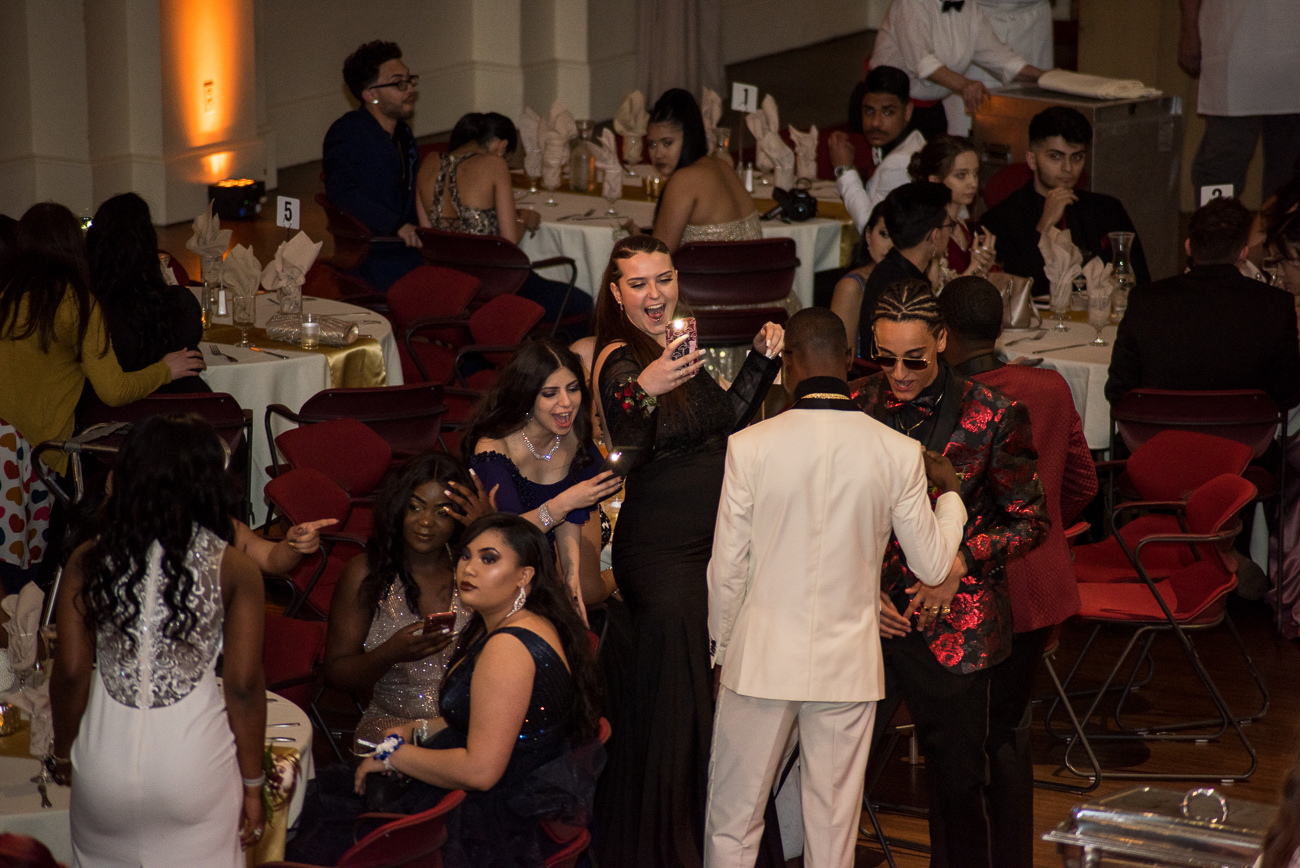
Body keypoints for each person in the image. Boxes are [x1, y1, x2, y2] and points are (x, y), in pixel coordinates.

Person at [704, 307, 968, 867]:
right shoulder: (895, 451)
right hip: (848, 664)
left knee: (734, 822)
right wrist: (950, 500)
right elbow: (931, 564)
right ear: (850, 360)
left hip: (762, 656)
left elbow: (727, 567)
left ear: (787, 363)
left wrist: (720, 650)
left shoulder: (750, 445)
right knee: (832, 831)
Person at [590, 234, 782, 868]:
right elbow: (626, 450)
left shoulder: (678, 345)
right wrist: (642, 389)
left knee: (708, 696)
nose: (655, 294)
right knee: (681, 701)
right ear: (616, 293)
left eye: (663, 279)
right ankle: (669, 850)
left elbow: (720, 426)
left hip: (712, 548)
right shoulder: (619, 359)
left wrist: (759, 364)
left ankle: (718, 843)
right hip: (662, 556)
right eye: (638, 284)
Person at [850, 280, 1048, 868]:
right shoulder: (855, 405)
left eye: (914, 359)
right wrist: (862, 589)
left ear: (941, 340)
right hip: (868, 624)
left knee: (960, 787)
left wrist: (960, 562)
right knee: (838, 776)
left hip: (959, 627)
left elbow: (1030, 521)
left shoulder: (994, 413)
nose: (899, 374)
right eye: (886, 358)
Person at [298, 514, 604, 868]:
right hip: (503, 788)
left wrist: (394, 756)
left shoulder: (508, 648)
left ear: (525, 575)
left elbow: (481, 772)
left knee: (315, 823)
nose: (469, 569)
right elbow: (489, 718)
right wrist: (416, 729)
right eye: (465, 556)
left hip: (492, 816)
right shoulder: (524, 622)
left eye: (488, 559)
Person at [49, 413, 268, 865]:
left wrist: (65, 754)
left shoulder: (87, 559)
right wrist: (253, 784)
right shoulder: (234, 567)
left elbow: (70, 674)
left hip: (103, 763)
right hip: (195, 765)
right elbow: (244, 687)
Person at [938, 276, 1097, 868]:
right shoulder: (1049, 387)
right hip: (1042, 583)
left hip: (971, 587)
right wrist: (1046, 530)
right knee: (1009, 732)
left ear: (941, 334)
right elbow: (1082, 482)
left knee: (963, 742)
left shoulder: (951, 400)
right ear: (1001, 326)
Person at [0, 203, 204, 479]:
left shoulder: (6, 296)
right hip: (42, 454)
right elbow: (114, 391)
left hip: (5, 442)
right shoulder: (78, 305)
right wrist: (165, 369)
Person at [325, 453, 496, 747]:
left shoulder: (472, 568)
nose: (426, 522)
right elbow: (336, 674)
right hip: (391, 728)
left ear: (460, 518)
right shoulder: (366, 573)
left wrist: (488, 530)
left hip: (470, 725)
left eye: (443, 512)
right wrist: (389, 654)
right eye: (415, 507)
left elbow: (530, 611)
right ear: (398, 506)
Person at [460, 338, 625, 608]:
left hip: (575, 526)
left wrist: (571, 574)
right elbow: (508, 537)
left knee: (585, 591)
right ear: (527, 395)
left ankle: (626, 570)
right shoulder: (493, 450)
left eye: (573, 389)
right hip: (512, 556)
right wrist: (564, 503)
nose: (566, 403)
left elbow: (574, 511)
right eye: (550, 393)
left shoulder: (573, 436)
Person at [1105, 196, 1300, 409]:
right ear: (1243, 253)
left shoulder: (1145, 300)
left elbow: (1118, 391)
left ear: (1188, 247)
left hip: (1161, 428)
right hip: (1245, 429)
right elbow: (1287, 395)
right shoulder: (1276, 305)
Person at [417, 114, 590, 331]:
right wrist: (524, 219)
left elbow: (428, 236)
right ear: (502, 147)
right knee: (583, 303)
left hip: (452, 288)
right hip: (496, 286)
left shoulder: (429, 163)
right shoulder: (495, 164)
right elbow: (510, 240)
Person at [981, 106, 1151, 296]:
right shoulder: (1000, 220)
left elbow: (1141, 284)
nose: (1068, 168)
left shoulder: (1108, 210)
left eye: (1076, 157)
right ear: (1032, 160)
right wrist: (1044, 227)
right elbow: (1012, 293)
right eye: (1055, 156)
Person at [82, 192, 208, 409]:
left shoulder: (88, 310)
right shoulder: (180, 306)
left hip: (106, 419)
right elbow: (191, 366)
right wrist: (163, 370)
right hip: (177, 417)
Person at [322, 40, 424, 291]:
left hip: (408, 245)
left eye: (410, 80)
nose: (410, 88)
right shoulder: (348, 132)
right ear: (370, 95)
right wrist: (395, 225)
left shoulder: (402, 133)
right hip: (375, 253)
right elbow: (341, 192)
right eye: (399, 83)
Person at [1180, 0, 1300, 204]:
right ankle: (1215, 223)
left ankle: (1279, 224)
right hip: (1232, 46)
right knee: (1223, 161)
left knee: (1290, 167)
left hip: (1292, 51)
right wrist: (1188, 29)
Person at [871, 0, 1047, 138]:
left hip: (931, 110)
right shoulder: (911, 3)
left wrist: (1046, 77)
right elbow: (922, 63)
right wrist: (965, 85)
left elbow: (1001, 58)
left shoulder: (969, 7)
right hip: (888, 110)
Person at [646, 88, 761, 251]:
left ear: (689, 138)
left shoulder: (684, 179)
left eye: (667, 143)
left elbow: (659, 257)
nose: (658, 154)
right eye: (652, 145)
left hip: (717, 268)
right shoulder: (722, 165)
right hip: (755, 266)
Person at [859, 182, 955, 356]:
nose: (951, 233)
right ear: (935, 235)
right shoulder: (904, 289)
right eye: (950, 226)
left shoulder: (889, 269)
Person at [829, 66, 928, 235]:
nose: (875, 122)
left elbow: (872, 229)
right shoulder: (914, 141)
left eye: (888, 112)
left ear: (908, 112)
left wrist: (844, 169)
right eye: (869, 111)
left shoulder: (900, 163)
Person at [908, 135, 997, 277]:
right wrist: (975, 267)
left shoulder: (960, 224)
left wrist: (984, 266)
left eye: (975, 174)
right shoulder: (928, 232)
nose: (973, 183)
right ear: (935, 180)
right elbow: (936, 290)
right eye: (961, 175)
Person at [831, 203, 894, 356]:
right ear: (868, 235)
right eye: (884, 235)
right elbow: (840, 357)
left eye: (898, 237)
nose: (890, 246)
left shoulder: (904, 279)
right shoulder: (851, 286)